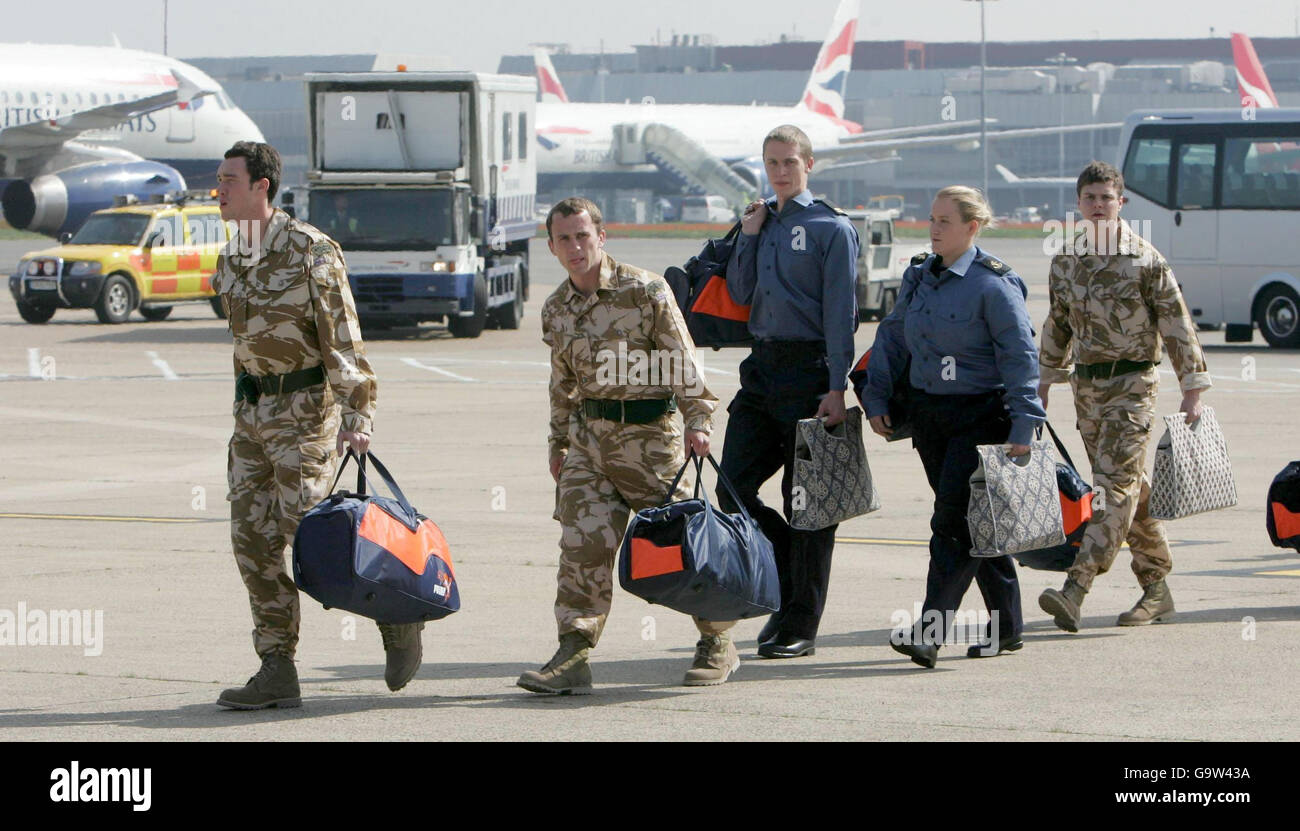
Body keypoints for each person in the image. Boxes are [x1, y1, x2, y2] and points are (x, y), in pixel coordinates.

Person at [212, 141, 420, 709]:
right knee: (251, 544)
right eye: (220, 178)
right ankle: (276, 666)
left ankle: (395, 620)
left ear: (262, 186)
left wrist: (358, 413)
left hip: (306, 416)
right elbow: (244, 347)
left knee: (318, 542)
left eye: (230, 179)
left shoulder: (310, 250)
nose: (219, 189)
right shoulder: (230, 258)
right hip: (252, 420)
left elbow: (343, 337)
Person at [517, 196, 737, 694]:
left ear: (601, 236)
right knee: (582, 545)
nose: (575, 247)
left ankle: (717, 638)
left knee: (680, 546)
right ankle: (574, 652)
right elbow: (562, 383)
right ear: (551, 246)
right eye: (564, 239)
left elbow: (685, 361)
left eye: (582, 235)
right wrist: (557, 442)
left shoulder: (645, 291)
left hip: (651, 443)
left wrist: (698, 420)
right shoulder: (556, 308)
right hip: (589, 445)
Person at [862, 185, 1045, 668]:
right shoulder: (920, 276)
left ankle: (930, 630)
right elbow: (893, 337)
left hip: (982, 419)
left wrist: (1026, 425)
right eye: (932, 219)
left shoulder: (993, 285)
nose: (934, 228)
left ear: (972, 227)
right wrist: (875, 394)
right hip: (931, 417)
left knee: (951, 524)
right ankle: (1007, 627)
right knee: (975, 524)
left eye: (945, 220)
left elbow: (1021, 358)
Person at [1037, 161, 1211, 631]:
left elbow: (1177, 325)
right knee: (1131, 488)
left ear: (1121, 203)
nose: (1097, 205)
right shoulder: (1066, 261)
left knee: (1112, 490)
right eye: (1090, 197)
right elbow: (1058, 325)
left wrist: (1193, 388)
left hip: (1133, 388)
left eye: (1106, 198)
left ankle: (1076, 588)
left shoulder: (1146, 260)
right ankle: (1157, 588)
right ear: (1078, 203)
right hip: (1088, 389)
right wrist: (1044, 382)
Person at [717, 124, 859, 659]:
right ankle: (784, 588)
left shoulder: (830, 227)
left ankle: (802, 621)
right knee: (731, 487)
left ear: (809, 165)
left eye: (790, 162)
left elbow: (841, 313)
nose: (780, 171)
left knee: (808, 506)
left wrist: (836, 386)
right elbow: (739, 291)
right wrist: (748, 236)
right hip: (762, 369)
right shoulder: (760, 221)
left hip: (809, 371)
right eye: (772, 162)